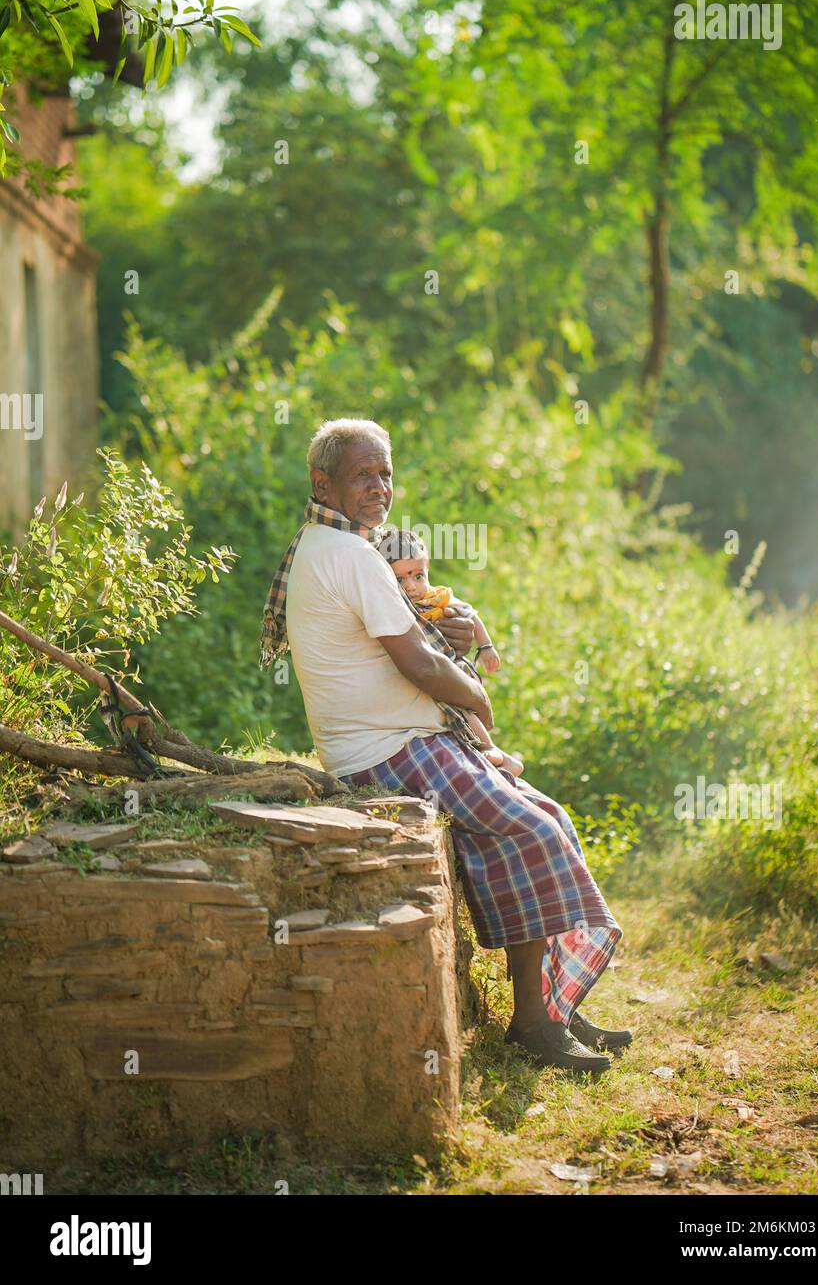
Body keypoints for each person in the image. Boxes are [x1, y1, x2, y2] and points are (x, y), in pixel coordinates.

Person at [260, 418, 631, 1073]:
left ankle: (553, 1005)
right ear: (323, 483)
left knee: (551, 817)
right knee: (536, 833)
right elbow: (420, 668)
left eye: (385, 474)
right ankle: (535, 1027)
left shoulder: (340, 546)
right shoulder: (347, 554)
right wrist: (477, 697)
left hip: (405, 741)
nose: (379, 487)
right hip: (387, 753)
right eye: (362, 476)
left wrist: (452, 644)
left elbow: (412, 645)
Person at [375, 524, 524, 777]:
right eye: (400, 579)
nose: (411, 585)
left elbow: (471, 614)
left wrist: (486, 646)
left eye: (418, 576)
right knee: (454, 719)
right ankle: (493, 756)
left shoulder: (437, 597)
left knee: (462, 710)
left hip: (451, 667)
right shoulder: (393, 603)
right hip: (432, 669)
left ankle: (492, 749)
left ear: (427, 571)